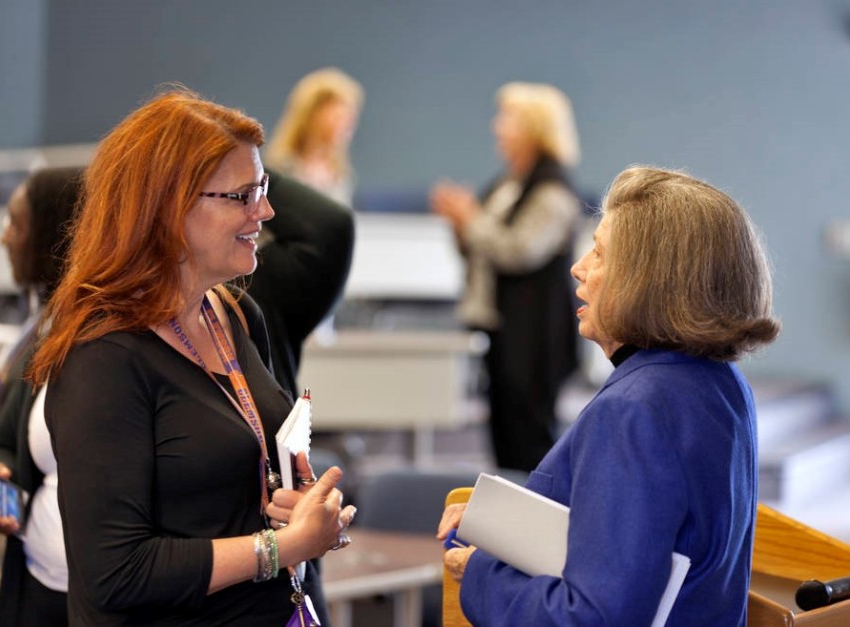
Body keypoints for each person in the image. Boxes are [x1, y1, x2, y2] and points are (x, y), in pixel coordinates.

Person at [27, 88, 355, 626]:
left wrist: (296, 505)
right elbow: (116, 573)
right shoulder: (104, 356)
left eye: (262, 189)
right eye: (242, 195)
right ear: (166, 207)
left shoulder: (235, 314)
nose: (265, 211)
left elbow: (228, 472)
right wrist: (280, 548)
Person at [437, 166, 781, 626]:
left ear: (648, 279)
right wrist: (501, 526)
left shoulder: (633, 410)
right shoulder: (720, 382)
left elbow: (593, 617)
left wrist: (481, 572)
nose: (578, 268)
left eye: (599, 253)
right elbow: (646, 532)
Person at [430, 82, 581, 472]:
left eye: (508, 119)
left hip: (535, 335)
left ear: (535, 128)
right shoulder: (509, 183)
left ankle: (533, 502)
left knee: (529, 433)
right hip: (502, 328)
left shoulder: (552, 189)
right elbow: (483, 249)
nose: (497, 127)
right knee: (502, 430)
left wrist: (470, 219)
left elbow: (520, 250)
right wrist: (460, 225)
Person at [0, 167, 82, 627]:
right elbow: (5, 435)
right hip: (16, 558)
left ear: (50, 235)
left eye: (16, 224)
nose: (5, 238)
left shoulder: (78, 336)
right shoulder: (42, 324)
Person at [247, 171, 354, 397]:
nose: (265, 212)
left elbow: (328, 225)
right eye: (237, 195)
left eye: (259, 190)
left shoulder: (251, 288)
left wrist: (238, 163)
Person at [265, 67, 363, 206]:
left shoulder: (340, 174)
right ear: (312, 116)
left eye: (349, 118)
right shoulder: (282, 169)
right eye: (338, 117)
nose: (346, 126)